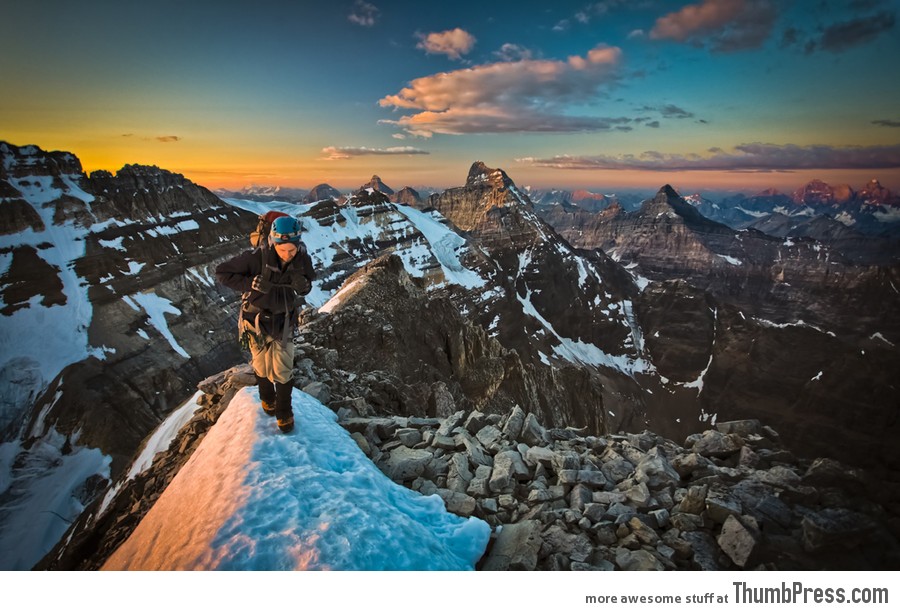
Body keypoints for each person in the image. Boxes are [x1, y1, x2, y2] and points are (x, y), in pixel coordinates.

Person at [215, 215, 315, 433]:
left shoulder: (302, 259)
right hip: (256, 320)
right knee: (260, 364)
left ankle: (284, 414)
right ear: (273, 243)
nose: (288, 255)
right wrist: (249, 284)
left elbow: (308, 284)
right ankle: (267, 401)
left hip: (285, 320)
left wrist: (304, 286)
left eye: (292, 250)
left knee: (283, 368)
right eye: (283, 250)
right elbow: (222, 272)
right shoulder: (256, 258)